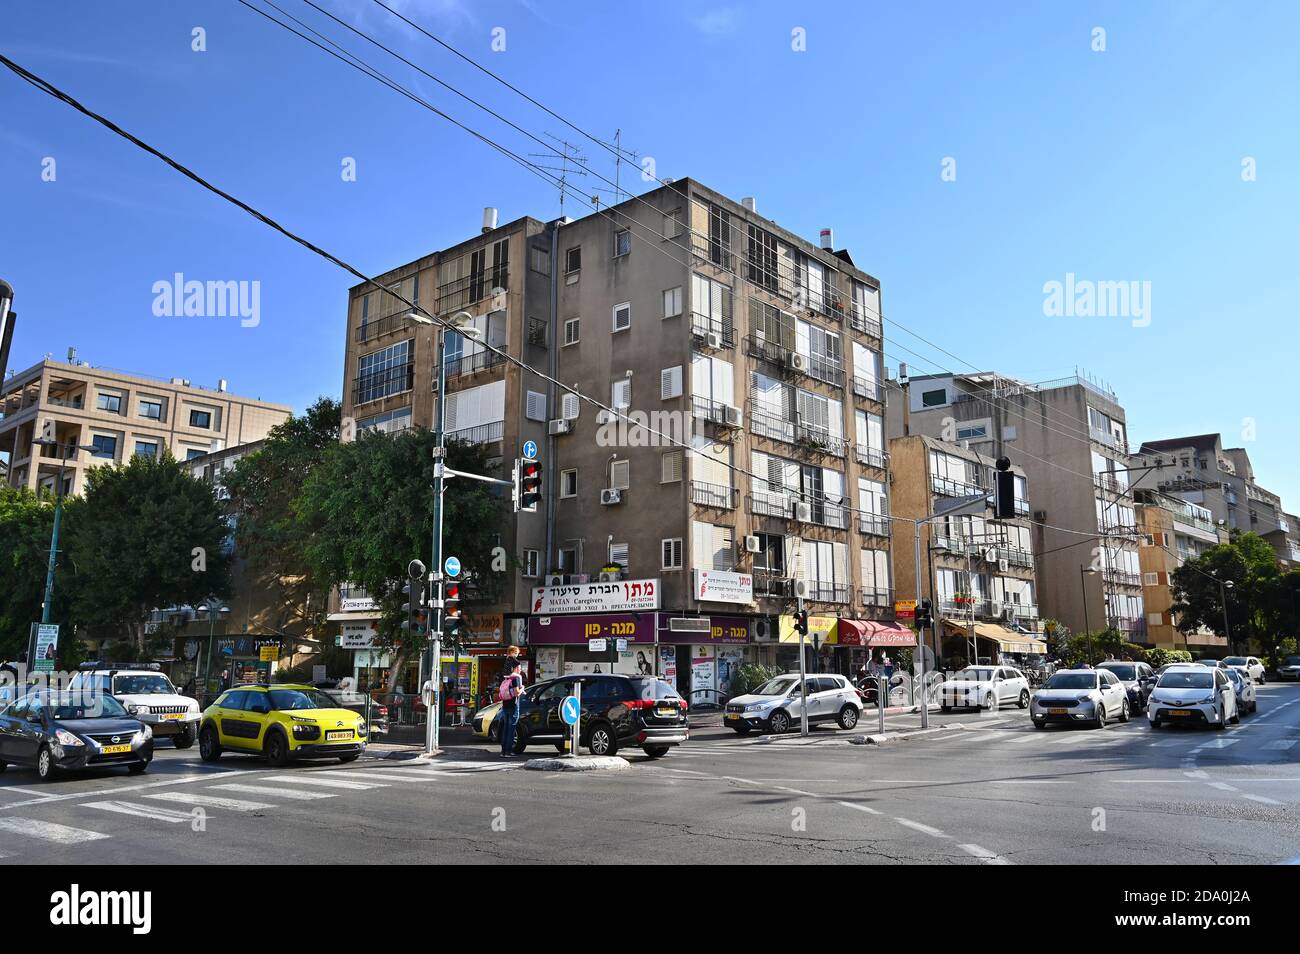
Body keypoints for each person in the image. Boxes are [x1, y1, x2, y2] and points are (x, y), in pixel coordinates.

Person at [498, 658, 525, 757]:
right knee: (511, 729)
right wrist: (522, 689)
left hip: (505, 705)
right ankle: (508, 752)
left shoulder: (506, 678)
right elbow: (517, 692)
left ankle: (503, 751)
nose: (520, 669)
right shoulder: (516, 678)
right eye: (520, 667)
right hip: (513, 705)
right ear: (516, 668)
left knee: (506, 728)